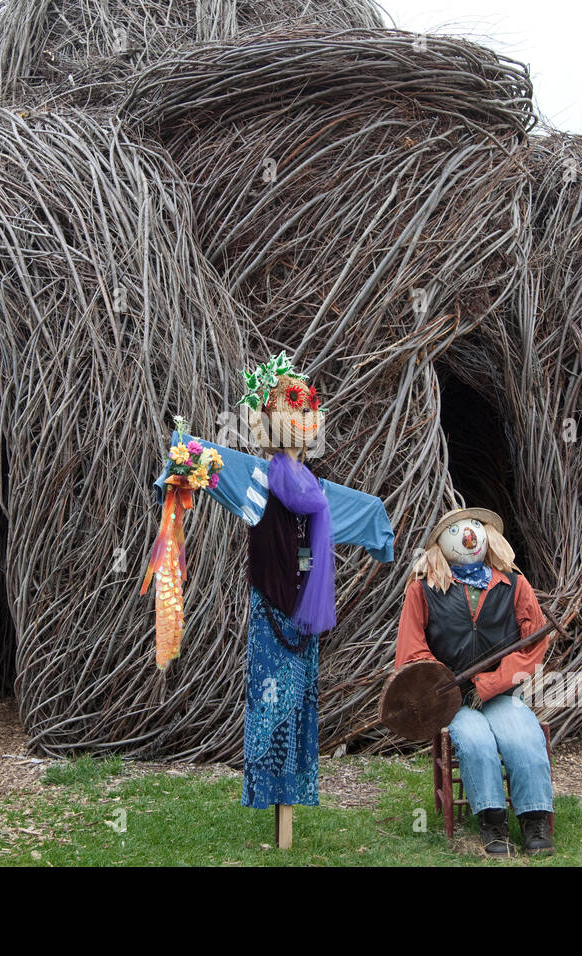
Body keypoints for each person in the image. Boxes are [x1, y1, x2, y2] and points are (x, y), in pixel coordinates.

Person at [150, 352, 393, 837]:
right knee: (270, 709)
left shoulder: (319, 494)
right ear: (270, 421)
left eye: (308, 412)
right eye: (292, 411)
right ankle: (270, 795)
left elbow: (366, 512)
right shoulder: (256, 481)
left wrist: (381, 535)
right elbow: (195, 456)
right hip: (270, 618)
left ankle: (293, 797)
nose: (302, 420)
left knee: (300, 710)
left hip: (305, 625)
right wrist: (178, 465)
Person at [394, 506, 554, 855]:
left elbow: (533, 642)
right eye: (457, 531)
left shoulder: (513, 584)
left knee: (524, 738)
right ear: (440, 545)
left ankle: (534, 819)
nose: (467, 537)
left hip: (500, 693)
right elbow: (412, 651)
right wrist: (442, 685)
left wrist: (493, 683)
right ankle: (492, 822)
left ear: (486, 536)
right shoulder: (422, 590)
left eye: (473, 529)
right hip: (450, 699)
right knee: (476, 742)